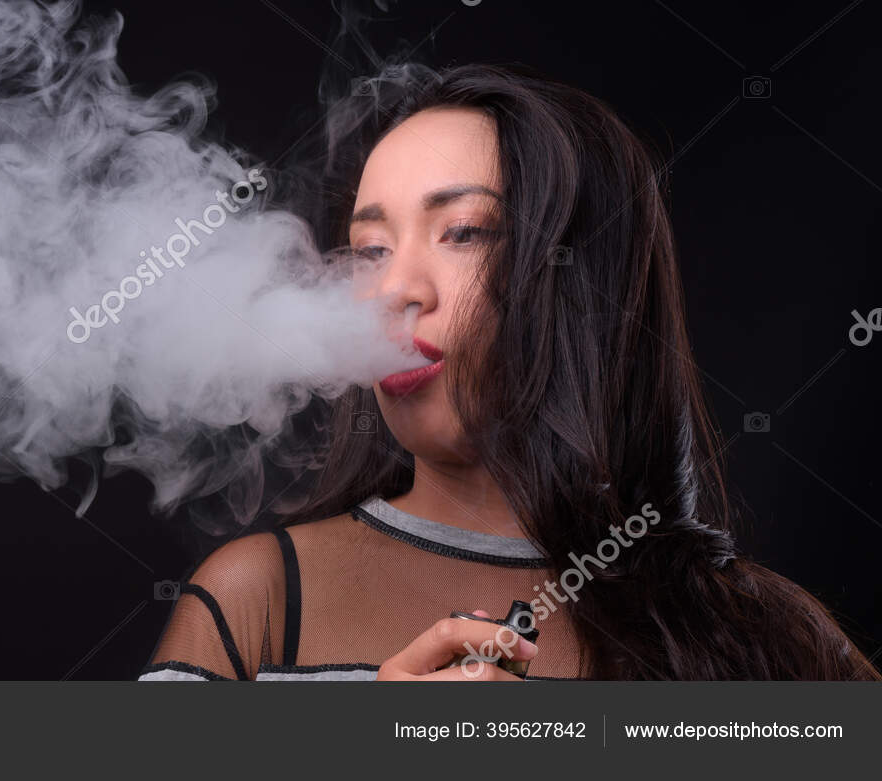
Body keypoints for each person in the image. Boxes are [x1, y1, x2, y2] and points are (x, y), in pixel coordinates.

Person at [139, 64, 880, 681]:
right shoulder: (256, 602)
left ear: (581, 282)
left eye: (463, 232)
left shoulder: (765, 638)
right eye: (370, 250)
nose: (397, 289)